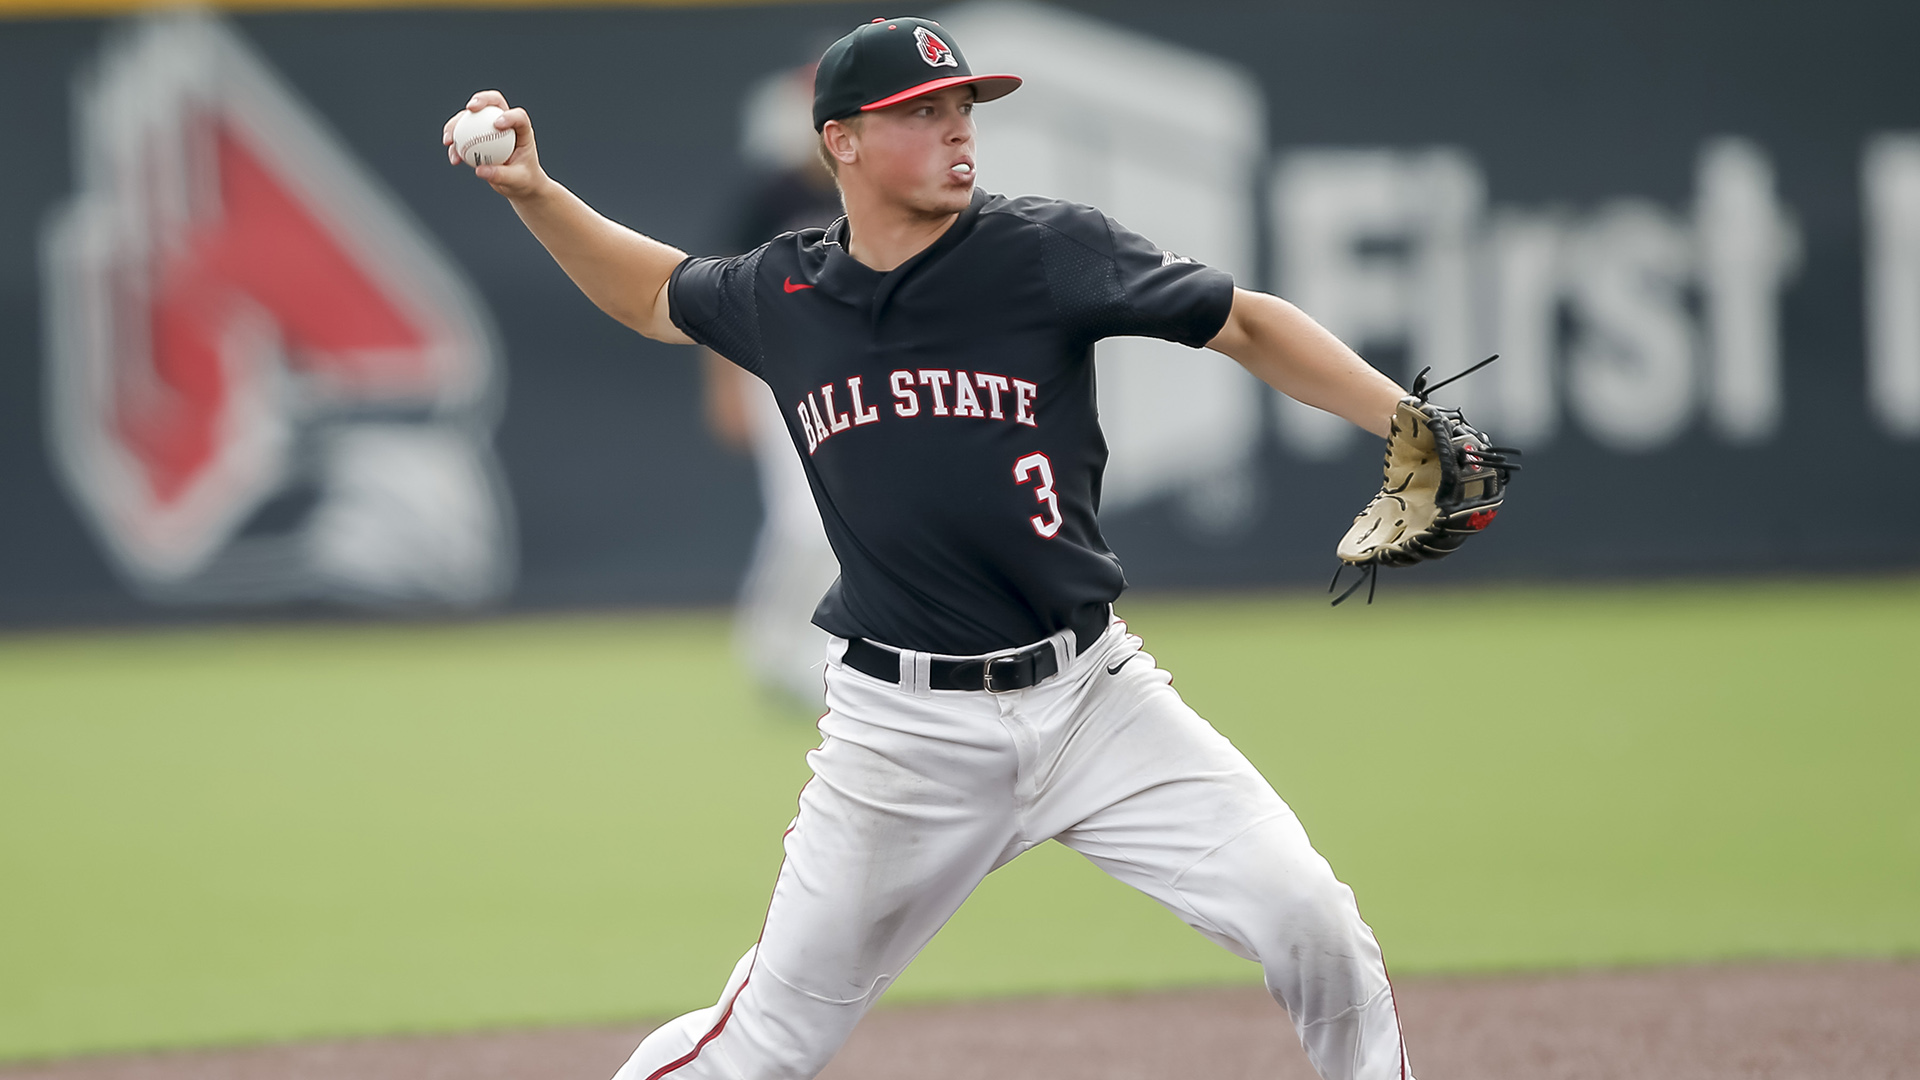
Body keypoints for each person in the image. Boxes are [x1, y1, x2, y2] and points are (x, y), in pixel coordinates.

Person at [446, 17, 1418, 1080]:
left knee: (1308, 919)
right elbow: (648, 291)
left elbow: (1244, 321)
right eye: (922, 114)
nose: (958, 133)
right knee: (763, 1042)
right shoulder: (786, 293)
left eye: (963, 110)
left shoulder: (1044, 251)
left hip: (1096, 700)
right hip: (902, 737)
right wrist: (534, 192)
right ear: (842, 141)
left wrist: (1407, 424)